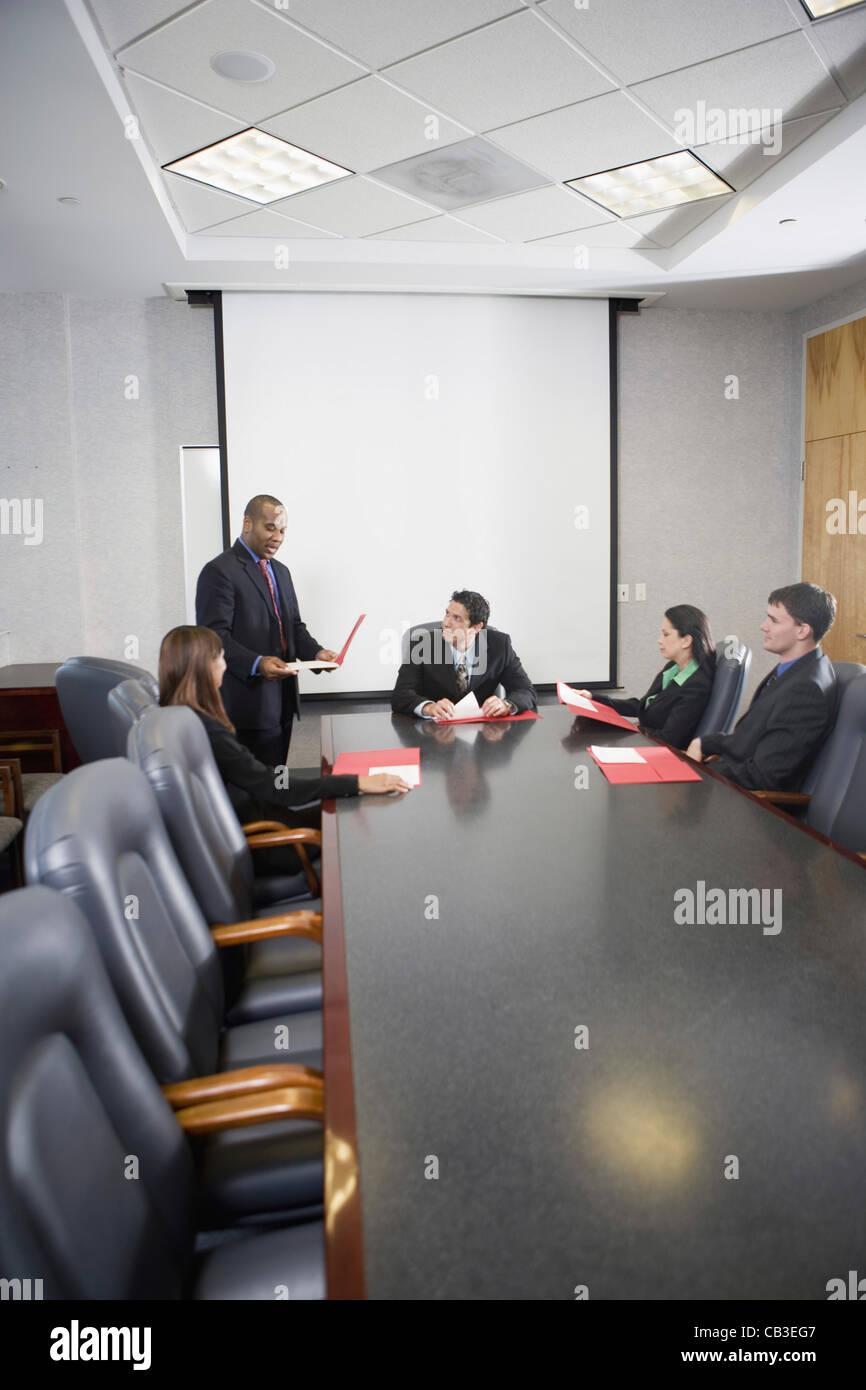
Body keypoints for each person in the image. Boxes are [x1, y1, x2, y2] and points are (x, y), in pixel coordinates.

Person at [158, 626, 409, 836]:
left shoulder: (175, 718)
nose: (225, 666)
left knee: (350, 808)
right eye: (220, 658)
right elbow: (275, 786)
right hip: (266, 836)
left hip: (254, 820)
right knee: (359, 813)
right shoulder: (208, 729)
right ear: (203, 667)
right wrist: (357, 782)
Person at [195, 493, 338, 766]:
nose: (277, 537)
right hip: (244, 707)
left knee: (277, 783)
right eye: (270, 527)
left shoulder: (281, 572)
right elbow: (213, 639)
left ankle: (276, 810)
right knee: (251, 797)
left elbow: (294, 627)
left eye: (283, 530)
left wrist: (317, 654)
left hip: (282, 702)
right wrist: (257, 663)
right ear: (247, 523)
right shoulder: (219, 572)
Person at [686, 582, 838, 790]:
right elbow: (748, 737)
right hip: (732, 780)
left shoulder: (806, 689)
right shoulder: (794, 669)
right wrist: (704, 742)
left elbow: (763, 776)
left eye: (773, 620)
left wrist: (702, 772)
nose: (763, 626)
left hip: (749, 805)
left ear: (802, 630)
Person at [575, 605, 714, 750]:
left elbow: (670, 739)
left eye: (666, 635)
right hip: (647, 742)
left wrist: (634, 730)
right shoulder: (673, 668)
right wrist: (593, 699)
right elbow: (642, 707)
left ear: (686, 641)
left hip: (661, 754)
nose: (660, 640)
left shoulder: (696, 686)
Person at [391, 590, 537, 720]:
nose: (446, 623)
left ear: (477, 627)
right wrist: (428, 707)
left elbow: (525, 690)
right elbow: (401, 694)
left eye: (457, 618)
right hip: (433, 733)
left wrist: (506, 705)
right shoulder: (422, 644)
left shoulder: (499, 645)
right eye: (447, 614)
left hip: (483, 735)